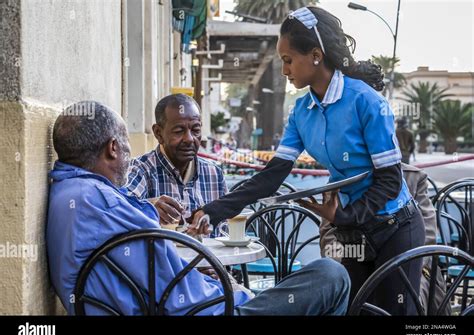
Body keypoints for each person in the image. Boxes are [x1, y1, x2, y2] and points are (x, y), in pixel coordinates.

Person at [188, 6, 425, 315]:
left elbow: (391, 181)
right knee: (353, 309)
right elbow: (271, 176)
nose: (285, 70)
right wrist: (213, 210)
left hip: (396, 228)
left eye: (288, 61)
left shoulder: (367, 101)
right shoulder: (301, 112)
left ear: (315, 55)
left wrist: (345, 214)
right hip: (354, 233)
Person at [46, 101, 350, 316]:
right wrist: (237, 293)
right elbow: (176, 291)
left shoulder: (71, 189)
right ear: (113, 147)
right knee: (331, 274)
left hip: (177, 299)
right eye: (125, 141)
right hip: (204, 308)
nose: (189, 139)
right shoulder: (103, 199)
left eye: (195, 129)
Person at [319, 163, 450, 314]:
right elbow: (329, 239)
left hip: (406, 267)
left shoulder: (412, 176)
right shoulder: (339, 182)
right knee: (349, 289)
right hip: (356, 265)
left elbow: (427, 237)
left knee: (403, 295)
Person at [125, 94, 227, 226]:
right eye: (179, 131)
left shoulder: (214, 173)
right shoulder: (141, 169)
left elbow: (226, 229)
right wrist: (147, 206)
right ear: (158, 133)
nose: (190, 139)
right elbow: (119, 207)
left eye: (196, 130)